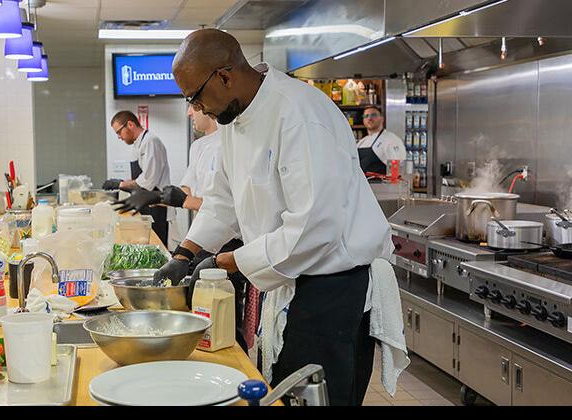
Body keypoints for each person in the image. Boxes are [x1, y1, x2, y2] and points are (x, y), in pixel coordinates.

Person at [153, 29, 396, 406]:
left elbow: (314, 229)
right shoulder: (234, 119)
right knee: (280, 391)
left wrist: (227, 261)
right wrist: (184, 254)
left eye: (195, 97)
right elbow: (224, 198)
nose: (196, 109)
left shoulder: (299, 113)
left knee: (316, 398)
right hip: (288, 280)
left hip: (331, 289)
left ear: (224, 75)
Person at [114, 105, 251, 351]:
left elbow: (225, 207)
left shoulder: (230, 142)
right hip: (200, 238)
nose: (188, 113)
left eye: (192, 106)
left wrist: (182, 202)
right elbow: (186, 191)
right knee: (200, 313)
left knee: (227, 319)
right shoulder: (198, 146)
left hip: (230, 244)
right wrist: (157, 197)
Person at [102, 110, 171, 246]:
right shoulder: (139, 144)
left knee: (156, 248)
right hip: (145, 204)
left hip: (156, 206)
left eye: (119, 132)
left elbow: (148, 181)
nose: (119, 137)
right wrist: (124, 184)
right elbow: (140, 179)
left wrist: (121, 184)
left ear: (130, 124)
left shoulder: (150, 142)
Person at [357, 105, 406, 175]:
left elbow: (398, 168)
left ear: (382, 119)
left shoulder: (391, 139)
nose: (369, 118)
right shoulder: (361, 142)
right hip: (363, 184)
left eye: (373, 115)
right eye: (366, 116)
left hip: (381, 185)